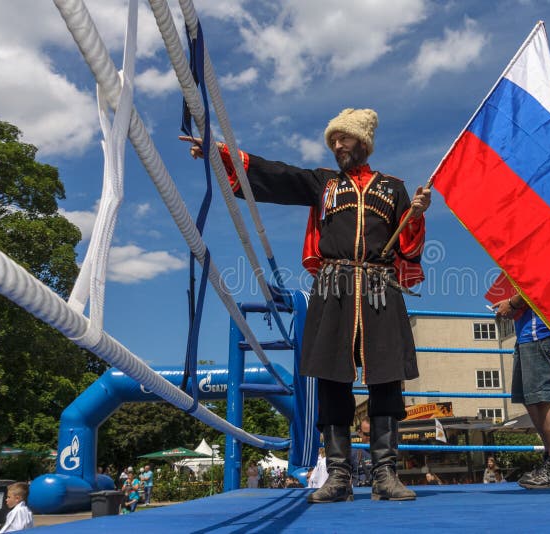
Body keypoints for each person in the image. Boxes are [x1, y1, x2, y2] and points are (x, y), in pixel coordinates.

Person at [182, 108, 430, 504]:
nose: (336, 145)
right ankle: (338, 476)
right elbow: (277, 176)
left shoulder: (394, 188)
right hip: (333, 289)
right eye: (333, 139)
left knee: (386, 379)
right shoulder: (323, 182)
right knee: (332, 380)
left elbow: (409, 249)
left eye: (344, 138)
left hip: (380, 289)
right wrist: (220, 154)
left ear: (362, 142)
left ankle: (386, 475)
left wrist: (415, 217)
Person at [493, 293, 550, 489]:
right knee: (529, 396)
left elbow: (539, 279)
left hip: (538, 328)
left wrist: (512, 303)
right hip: (528, 329)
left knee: (542, 395)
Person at [351, 417, 373, 487]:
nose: (370, 437)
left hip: (378, 494)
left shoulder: (382, 451)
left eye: (372, 433)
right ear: (359, 433)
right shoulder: (353, 451)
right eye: (367, 434)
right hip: (360, 494)